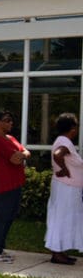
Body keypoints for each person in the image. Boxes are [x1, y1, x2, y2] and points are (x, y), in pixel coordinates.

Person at [0, 110, 29, 263]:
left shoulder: (10, 138)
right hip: (4, 183)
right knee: (3, 217)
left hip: (15, 181)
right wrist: (21, 155)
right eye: (7, 120)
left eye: (11, 120)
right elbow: (16, 159)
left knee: (10, 216)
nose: (10, 123)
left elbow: (25, 152)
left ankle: (0, 249)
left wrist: (21, 154)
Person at [44, 113, 83, 265]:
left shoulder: (64, 141)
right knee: (61, 218)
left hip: (67, 188)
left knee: (65, 219)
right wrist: (64, 169)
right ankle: (57, 253)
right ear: (73, 129)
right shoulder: (64, 142)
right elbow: (57, 155)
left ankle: (60, 251)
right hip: (66, 189)